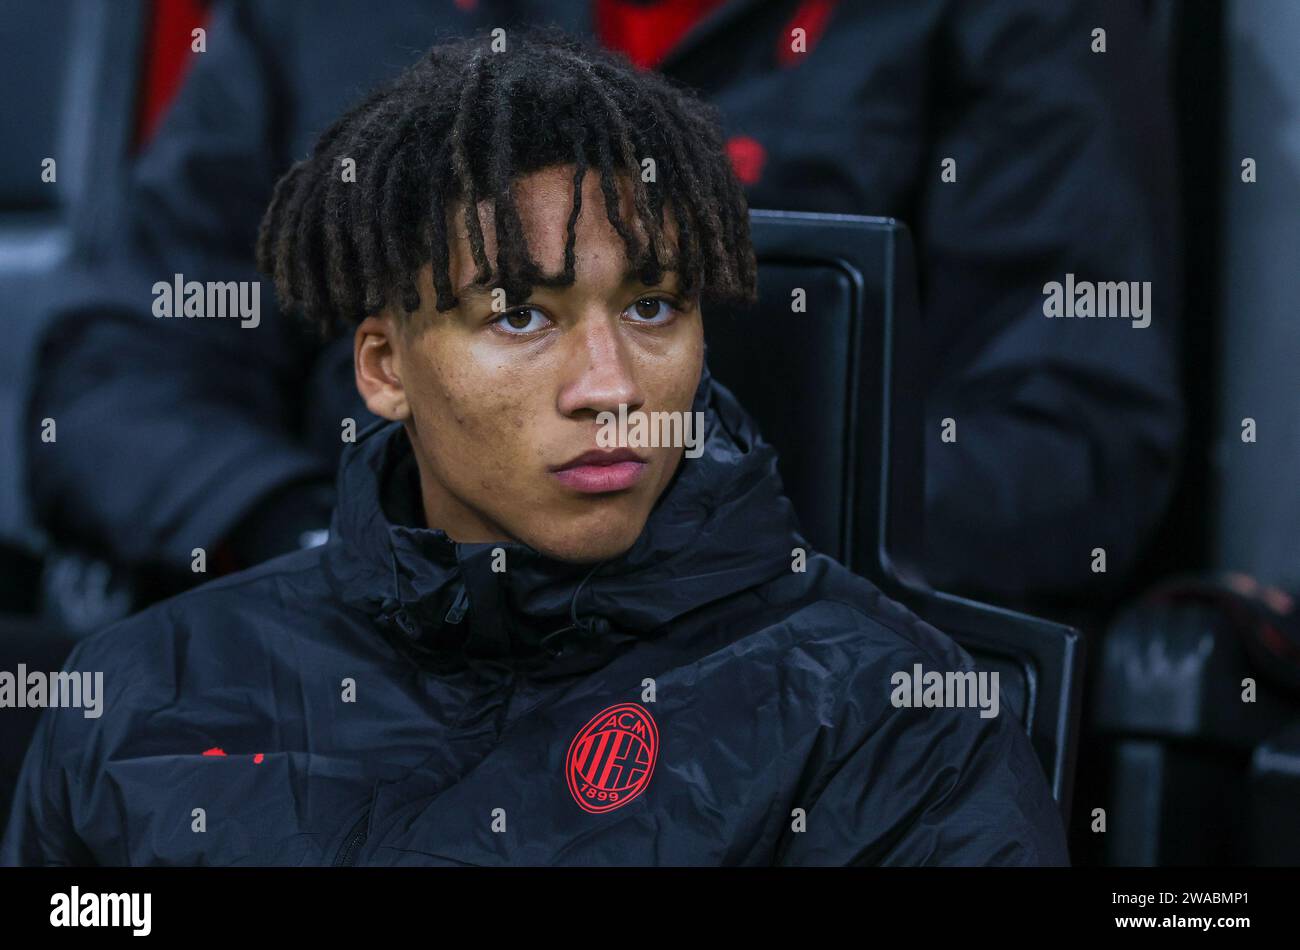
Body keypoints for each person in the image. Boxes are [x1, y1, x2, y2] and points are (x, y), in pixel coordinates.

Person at [2, 32, 1067, 866]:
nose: (609, 386)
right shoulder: (143, 699)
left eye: (653, 307)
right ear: (383, 367)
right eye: (520, 316)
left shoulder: (890, 718)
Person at [25, 0, 1182, 625]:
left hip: (772, 680)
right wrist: (319, 540)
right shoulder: (319, 18)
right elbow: (118, 369)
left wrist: (698, 566)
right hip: (362, 666)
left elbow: (1074, 423)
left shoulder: (1010, 21)